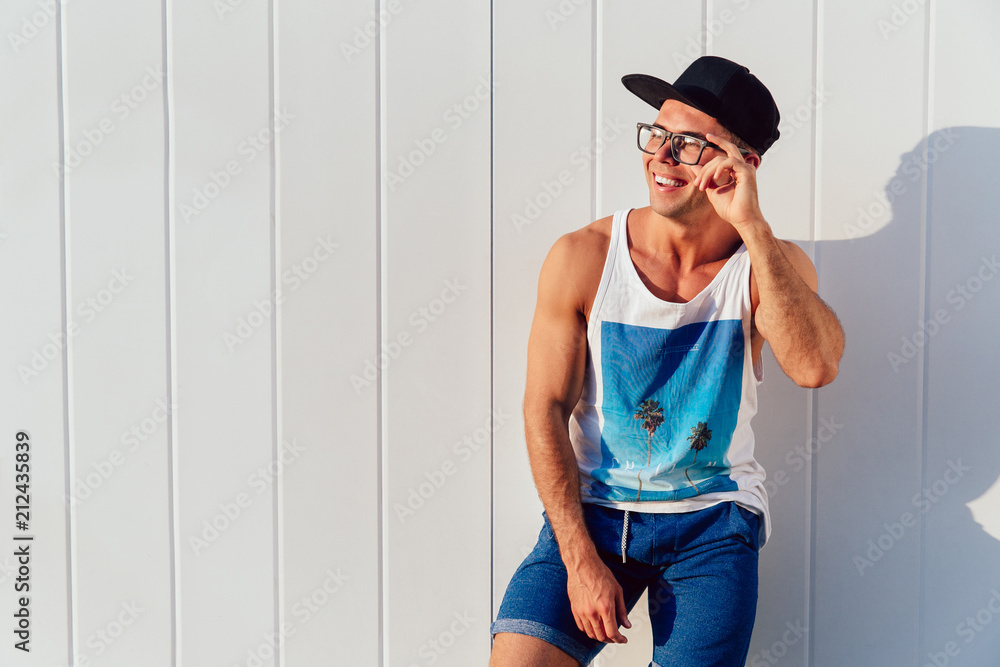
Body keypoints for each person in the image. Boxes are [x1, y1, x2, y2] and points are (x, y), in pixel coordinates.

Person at [489, 56, 845, 667]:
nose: (662, 156)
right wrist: (578, 560)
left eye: (689, 145)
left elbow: (815, 367)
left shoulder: (769, 266)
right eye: (658, 135)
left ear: (741, 164)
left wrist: (752, 226)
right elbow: (543, 409)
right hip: (594, 513)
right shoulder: (584, 256)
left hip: (713, 520)